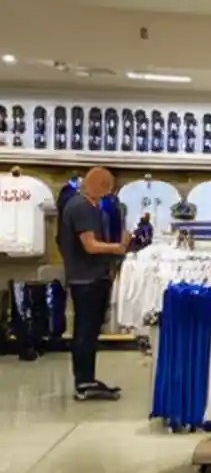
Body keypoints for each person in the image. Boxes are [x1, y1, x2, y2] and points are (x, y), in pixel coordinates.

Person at [59, 166, 128, 400]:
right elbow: (90, 245)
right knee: (86, 332)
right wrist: (117, 247)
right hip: (87, 278)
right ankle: (84, 382)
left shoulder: (83, 205)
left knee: (87, 331)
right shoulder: (82, 207)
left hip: (87, 276)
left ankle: (87, 378)